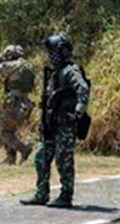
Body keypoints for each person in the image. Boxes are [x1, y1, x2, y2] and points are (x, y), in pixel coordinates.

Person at [21, 32, 91, 208]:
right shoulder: (55, 72)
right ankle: (41, 193)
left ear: (62, 51)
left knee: (63, 160)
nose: (50, 55)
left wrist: (79, 110)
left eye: (53, 51)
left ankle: (66, 196)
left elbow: (83, 88)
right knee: (41, 157)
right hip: (52, 123)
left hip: (65, 123)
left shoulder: (70, 70)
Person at [0, 44, 35, 165]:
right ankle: (10, 158)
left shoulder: (12, 65)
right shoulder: (27, 65)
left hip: (14, 102)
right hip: (25, 102)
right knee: (10, 130)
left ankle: (24, 149)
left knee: (3, 131)